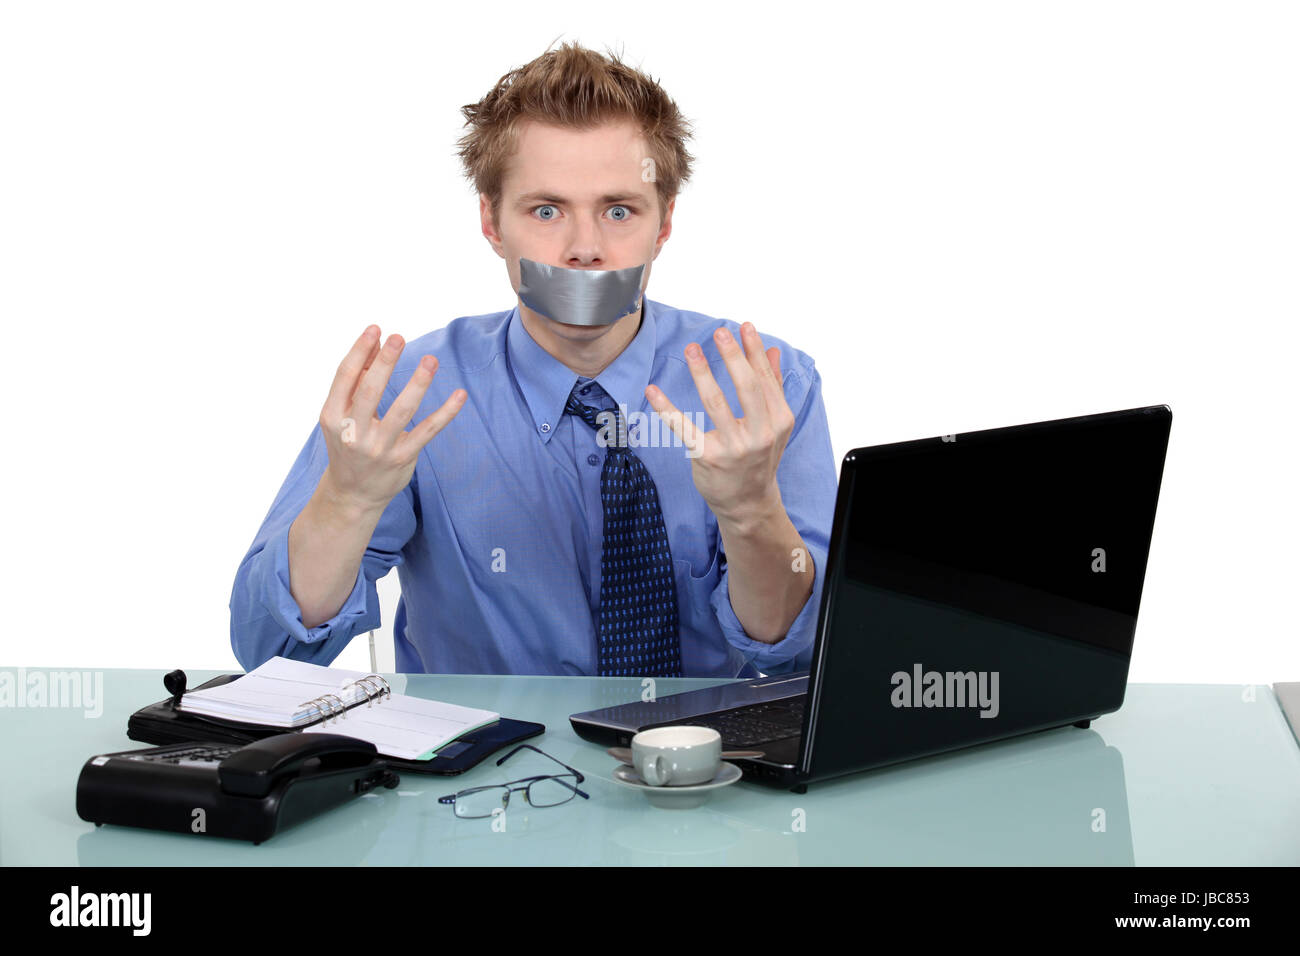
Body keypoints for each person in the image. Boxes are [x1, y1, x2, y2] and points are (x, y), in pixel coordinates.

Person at [229, 42, 837, 678]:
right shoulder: (409, 396)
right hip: (486, 768)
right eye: (546, 210)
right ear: (492, 223)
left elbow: (794, 648)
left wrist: (749, 513)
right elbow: (269, 652)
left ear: (663, 225)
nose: (584, 248)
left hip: (707, 768)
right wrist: (346, 501)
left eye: (619, 210)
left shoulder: (766, 386)